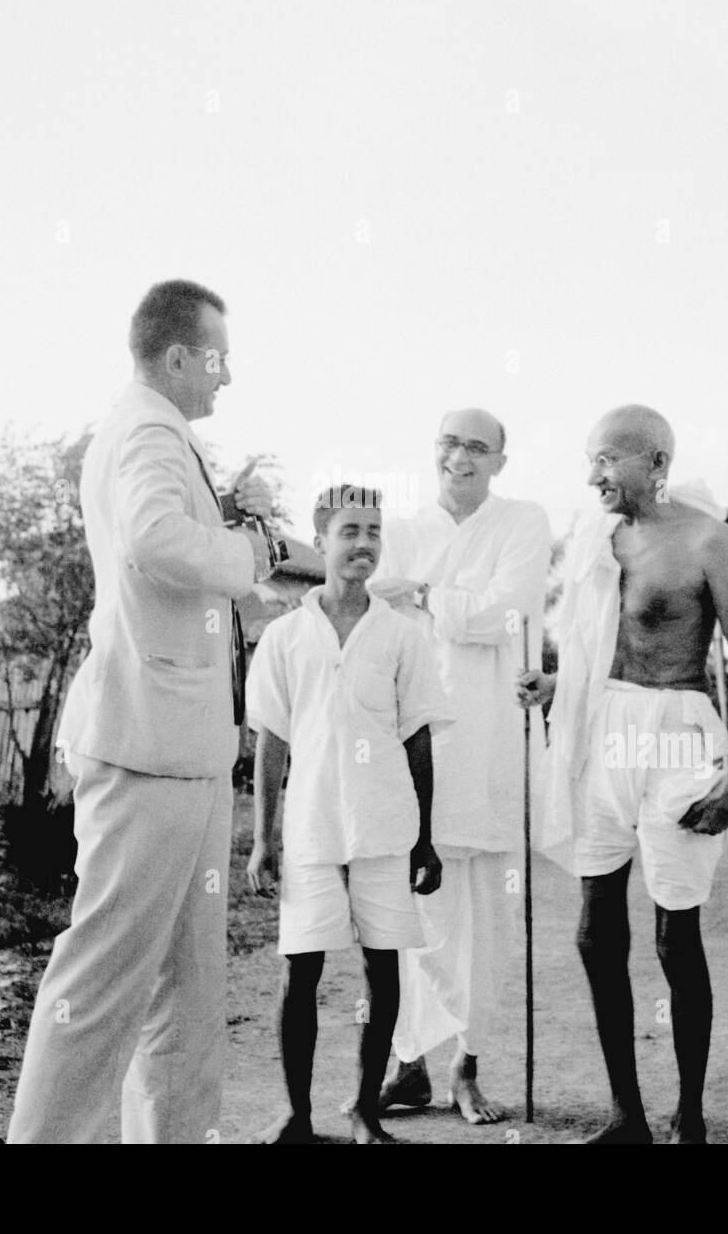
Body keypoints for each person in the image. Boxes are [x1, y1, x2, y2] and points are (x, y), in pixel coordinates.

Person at [8, 279, 276, 1144]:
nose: (225, 377)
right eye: (217, 358)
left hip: (183, 747)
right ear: (174, 357)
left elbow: (165, 533)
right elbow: (156, 540)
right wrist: (252, 547)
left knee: (187, 985)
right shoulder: (147, 431)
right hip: (146, 745)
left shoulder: (158, 436)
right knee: (104, 978)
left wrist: (227, 523)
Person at [518, 404, 728, 1144]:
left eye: (605, 459)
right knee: (595, 933)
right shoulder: (599, 542)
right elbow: (601, 653)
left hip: (680, 735)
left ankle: (687, 1115)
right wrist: (554, 686)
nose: (592, 475)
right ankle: (626, 1115)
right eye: (589, 460)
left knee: (673, 936)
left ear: (653, 464)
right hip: (606, 727)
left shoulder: (704, 539)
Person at [245, 485, 451, 1144]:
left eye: (373, 532)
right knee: (300, 966)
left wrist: (424, 838)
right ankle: (297, 1116)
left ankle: (364, 1109)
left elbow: (417, 736)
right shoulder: (283, 637)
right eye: (349, 531)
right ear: (322, 536)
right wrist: (262, 839)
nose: (363, 544)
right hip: (310, 824)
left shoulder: (400, 635)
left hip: (384, 822)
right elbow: (270, 742)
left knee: (382, 967)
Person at [369, 409, 552, 1124]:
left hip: (489, 743)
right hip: (411, 740)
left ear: (499, 461)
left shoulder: (522, 520)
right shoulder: (402, 529)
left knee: (485, 916)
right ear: (433, 449)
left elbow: (505, 615)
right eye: (450, 442)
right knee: (411, 904)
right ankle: (407, 1064)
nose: (460, 457)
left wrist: (420, 595)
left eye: (478, 447)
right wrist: (435, 602)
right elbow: (375, 614)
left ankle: (465, 1067)